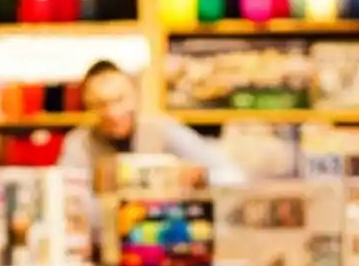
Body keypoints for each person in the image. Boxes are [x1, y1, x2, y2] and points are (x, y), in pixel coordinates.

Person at [57, 60, 245, 184]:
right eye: (101, 104)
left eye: (119, 100)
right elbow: (65, 196)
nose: (113, 112)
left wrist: (202, 178)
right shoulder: (79, 144)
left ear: (135, 97)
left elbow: (234, 176)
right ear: (88, 106)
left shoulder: (163, 131)